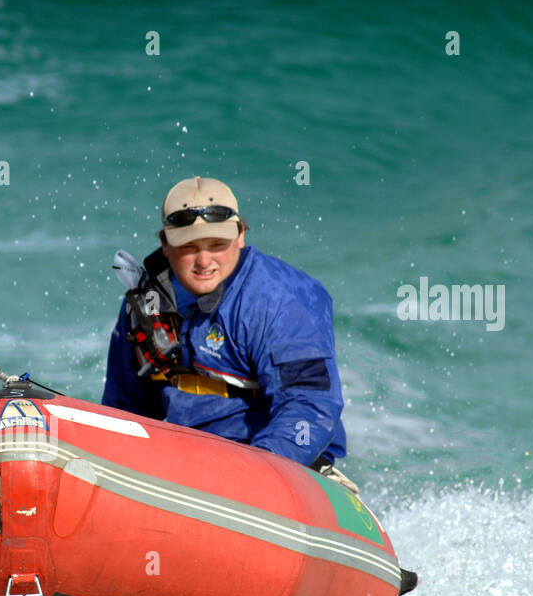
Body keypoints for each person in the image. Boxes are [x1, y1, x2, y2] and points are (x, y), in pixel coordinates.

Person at [102, 176, 355, 489]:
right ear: (165, 246)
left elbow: (310, 405)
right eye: (189, 247)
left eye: (217, 245)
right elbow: (124, 410)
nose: (204, 261)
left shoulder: (283, 300)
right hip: (186, 467)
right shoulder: (146, 304)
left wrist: (257, 474)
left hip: (280, 466)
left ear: (240, 236)